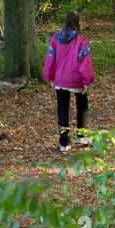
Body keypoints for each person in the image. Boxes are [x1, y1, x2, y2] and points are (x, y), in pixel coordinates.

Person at [43, 11, 94, 152]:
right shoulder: (81, 39)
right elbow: (85, 62)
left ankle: (64, 143)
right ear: (78, 22)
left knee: (62, 109)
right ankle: (81, 136)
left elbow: (50, 58)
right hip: (76, 78)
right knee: (82, 106)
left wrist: (50, 77)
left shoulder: (56, 38)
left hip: (60, 79)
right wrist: (86, 81)